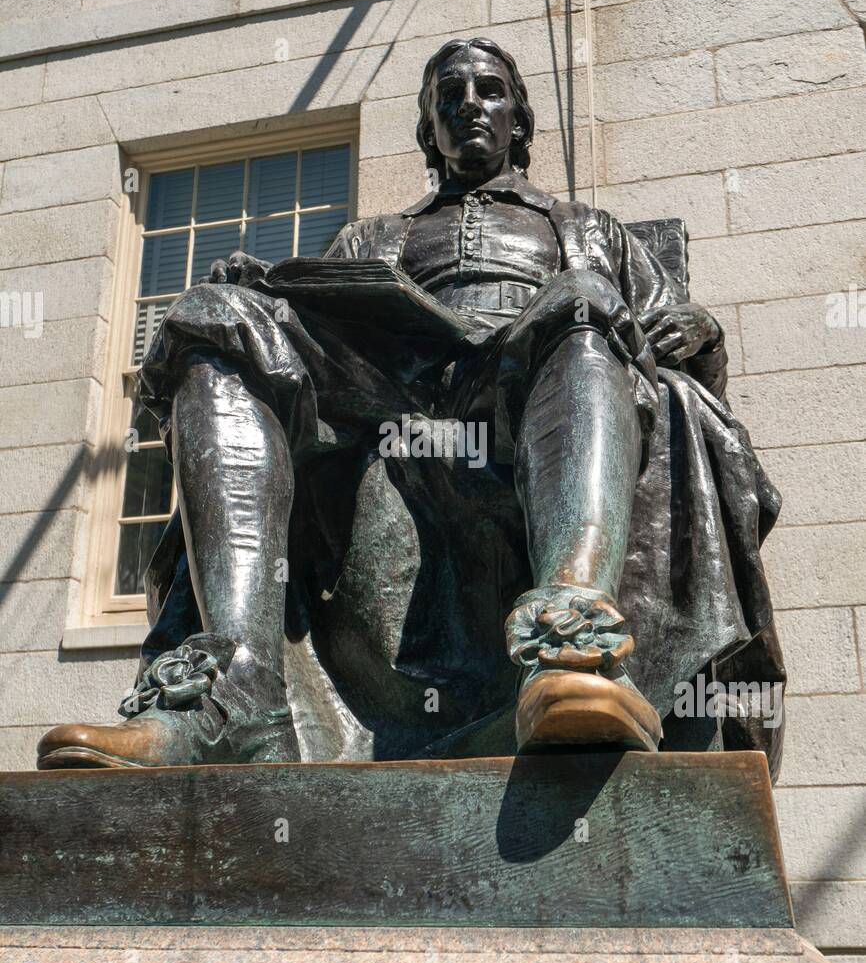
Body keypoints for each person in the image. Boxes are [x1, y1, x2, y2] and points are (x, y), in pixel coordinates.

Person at [38, 39, 784, 771]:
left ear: (519, 122)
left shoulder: (591, 231)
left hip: (530, 391)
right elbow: (324, 334)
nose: (469, 105)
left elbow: (677, 360)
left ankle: (572, 643)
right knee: (218, 313)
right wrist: (265, 294)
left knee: (584, 301)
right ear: (428, 128)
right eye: (447, 96)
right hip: (397, 393)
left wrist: (703, 331)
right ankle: (233, 695)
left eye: (489, 90)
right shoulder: (374, 236)